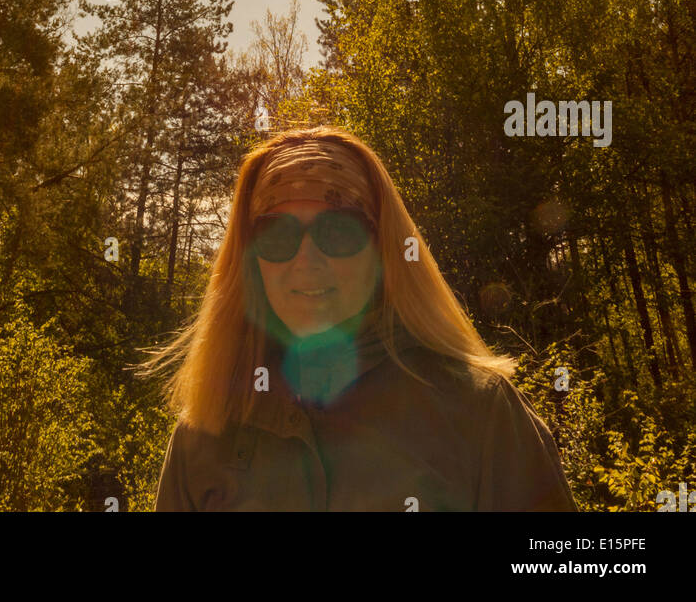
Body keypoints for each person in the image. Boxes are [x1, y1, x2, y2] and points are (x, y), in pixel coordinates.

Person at [144, 126, 577, 512]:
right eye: (276, 235)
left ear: (381, 251)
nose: (306, 260)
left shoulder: (477, 411)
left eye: (339, 231)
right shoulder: (207, 430)